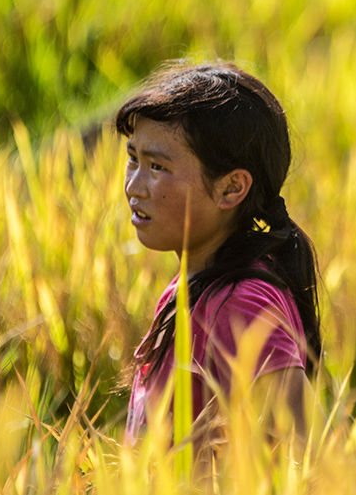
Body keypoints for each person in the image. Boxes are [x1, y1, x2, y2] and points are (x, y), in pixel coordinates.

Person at [118, 61, 321, 443]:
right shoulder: (192, 287)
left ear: (231, 188)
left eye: (157, 166)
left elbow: (312, 453)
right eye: (134, 159)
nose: (135, 186)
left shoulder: (241, 304)